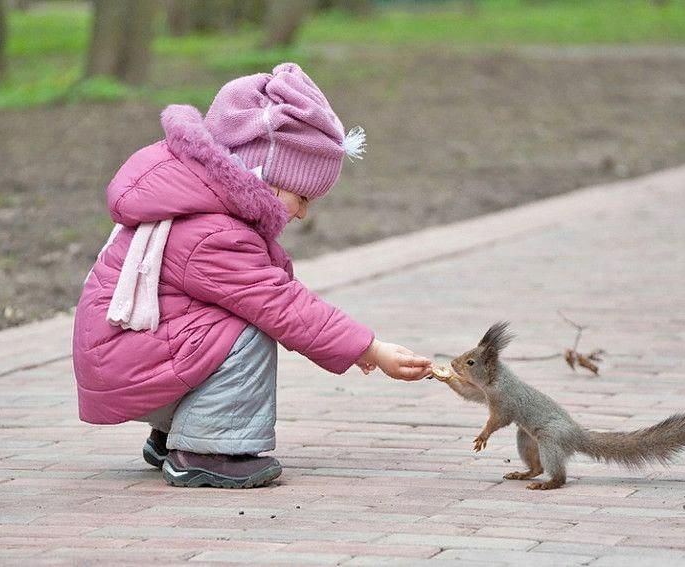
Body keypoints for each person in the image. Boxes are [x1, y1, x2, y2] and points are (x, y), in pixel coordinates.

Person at [72, 63, 432, 489]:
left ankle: (177, 433)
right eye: (301, 196)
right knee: (250, 330)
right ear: (262, 176)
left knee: (224, 321)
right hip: (129, 365)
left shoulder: (195, 206)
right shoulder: (213, 232)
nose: (302, 213)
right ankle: (206, 452)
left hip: (125, 358)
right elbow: (280, 303)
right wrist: (368, 348)